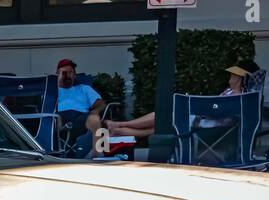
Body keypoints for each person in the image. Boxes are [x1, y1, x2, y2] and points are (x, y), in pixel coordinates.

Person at [105, 61, 257, 138]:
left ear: (240, 78)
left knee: (160, 118)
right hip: (199, 120)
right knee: (156, 128)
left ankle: (119, 125)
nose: (230, 77)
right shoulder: (229, 91)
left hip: (207, 125)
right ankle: (118, 130)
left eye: (234, 75)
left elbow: (219, 113)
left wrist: (201, 108)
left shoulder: (239, 97)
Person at [54, 59, 105, 156]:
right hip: (58, 118)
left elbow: (100, 104)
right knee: (55, 117)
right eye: (64, 72)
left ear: (74, 75)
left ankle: (97, 152)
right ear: (57, 74)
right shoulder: (51, 89)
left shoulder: (84, 88)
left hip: (80, 118)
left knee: (94, 118)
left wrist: (95, 111)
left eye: (70, 72)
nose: (67, 75)